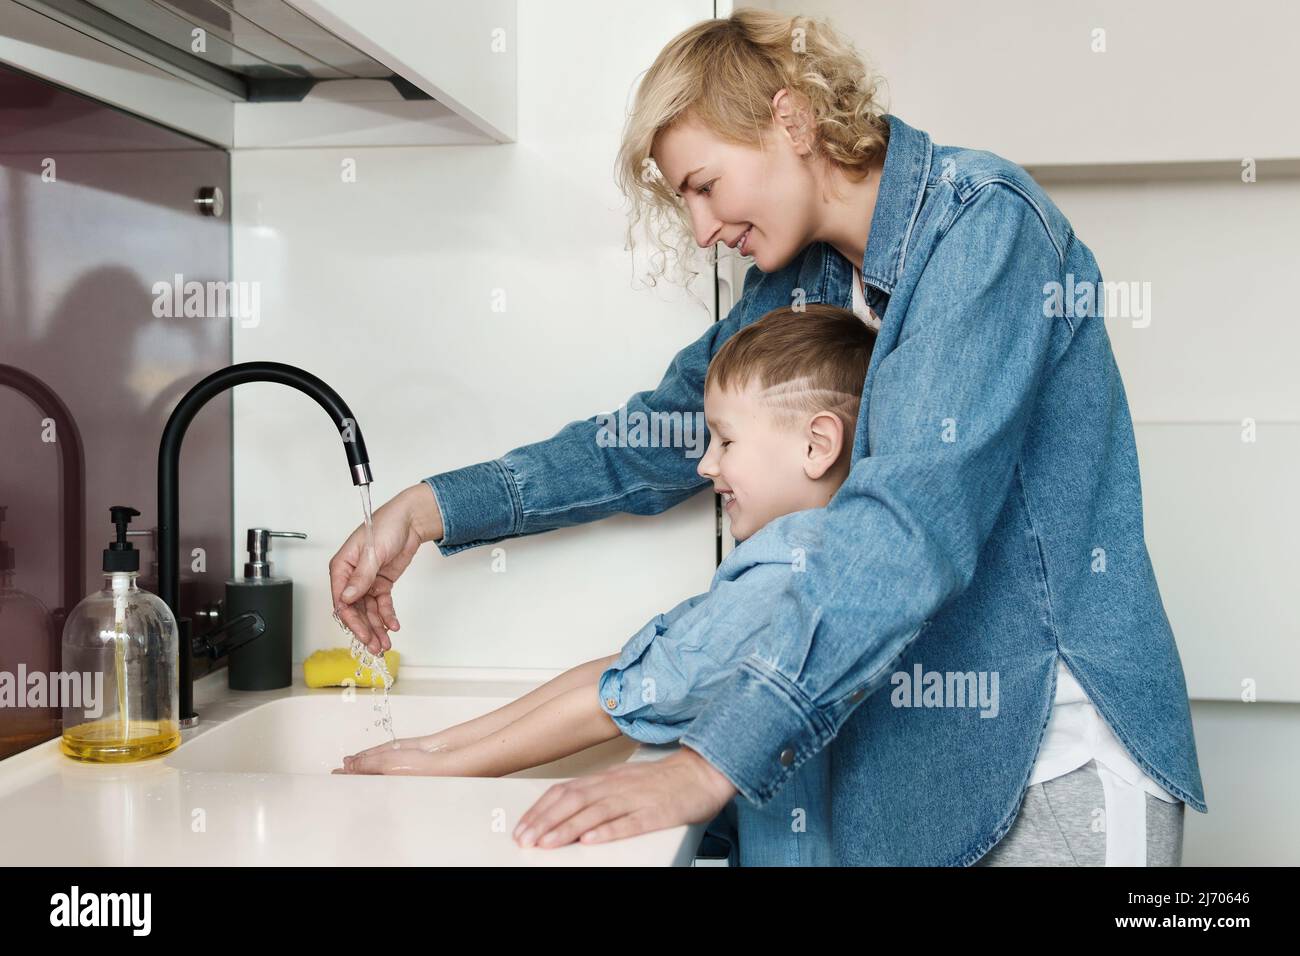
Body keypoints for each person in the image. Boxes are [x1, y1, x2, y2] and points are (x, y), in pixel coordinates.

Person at [329, 10, 1206, 865]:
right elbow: (652, 436)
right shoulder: (800, 281)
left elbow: (909, 526)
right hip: (913, 770)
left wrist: (711, 763)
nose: (704, 229)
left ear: (790, 118)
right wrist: (435, 507)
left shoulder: (985, 228)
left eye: (706, 186)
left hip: (1050, 762)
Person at [335, 304, 873, 867]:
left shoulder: (786, 582)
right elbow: (626, 667)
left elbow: (616, 698)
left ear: (817, 445)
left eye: (725, 442)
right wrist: (434, 745)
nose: (704, 466)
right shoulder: (784, 561)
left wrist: (443, 768)